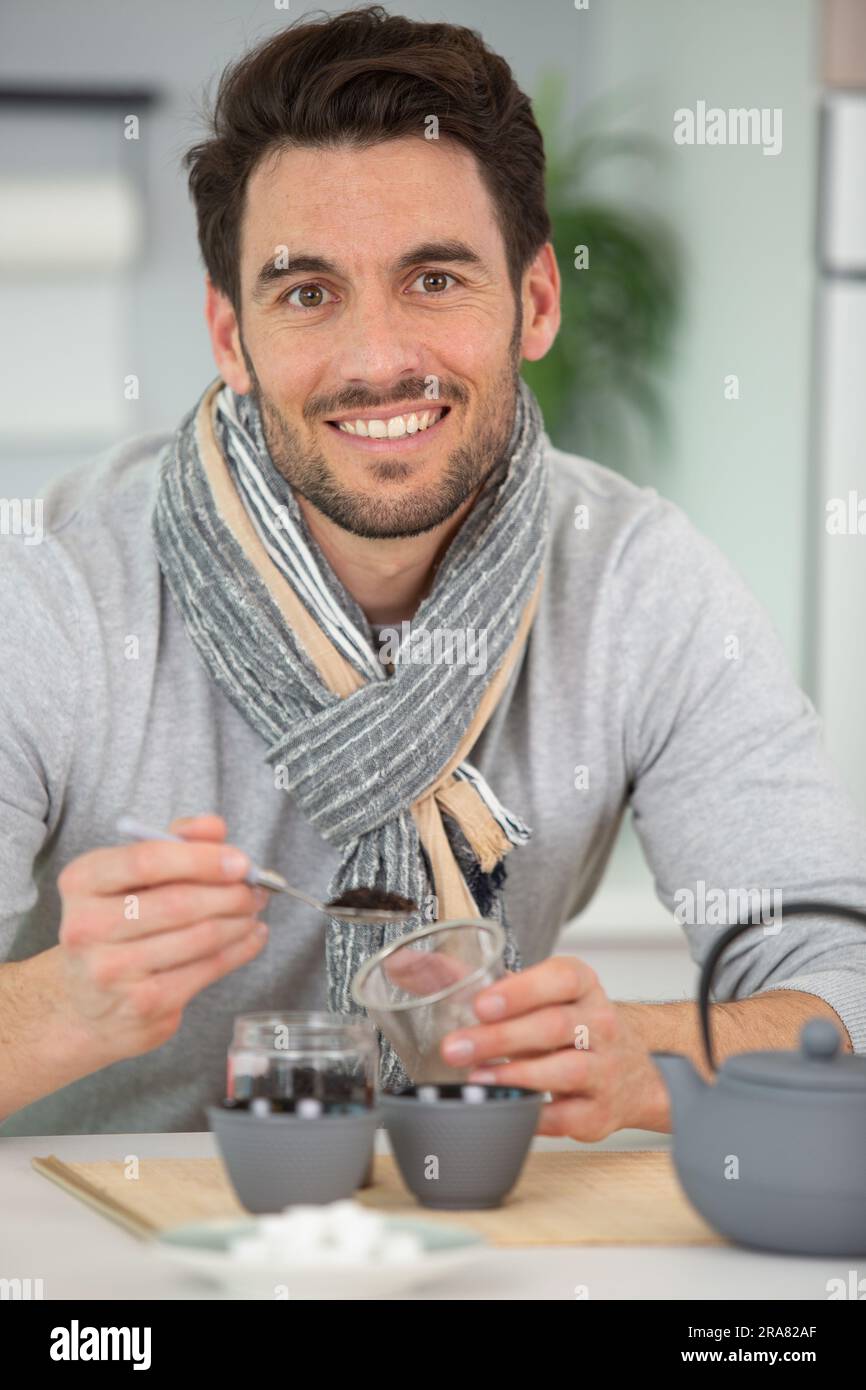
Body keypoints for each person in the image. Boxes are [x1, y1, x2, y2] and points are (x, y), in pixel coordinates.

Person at [1, 6, 864, 1139]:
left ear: (537, 300)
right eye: (307, 292)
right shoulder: (50, 597)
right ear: (230, 336)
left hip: (463, 1236)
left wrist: (652, 1056)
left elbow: (841, 985)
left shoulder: (641, 589)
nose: (376, 360)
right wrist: (62, 1004)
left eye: (434, 280)